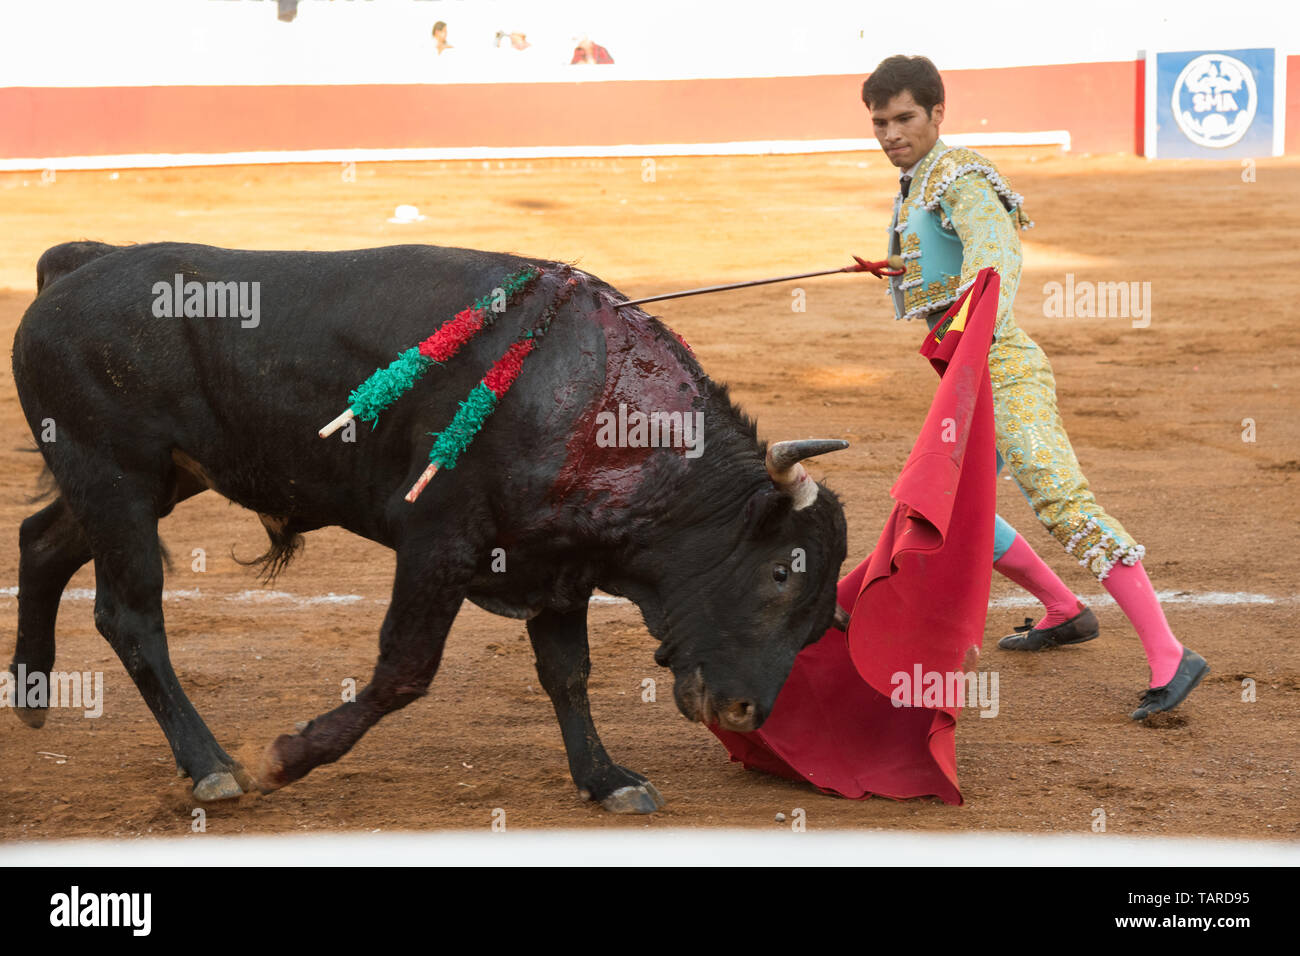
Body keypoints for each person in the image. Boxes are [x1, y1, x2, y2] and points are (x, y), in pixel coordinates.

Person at [861, 54, 1208, 719]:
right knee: (951, 509)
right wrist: (899, 266)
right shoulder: (920, 179)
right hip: (968, 380)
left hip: (1001, 369)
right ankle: (1063, 607)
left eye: (904, 117)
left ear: (938, 112)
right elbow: (948, 253)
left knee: (1061, 501)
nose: (890, 132)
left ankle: (1170, 654)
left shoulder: (958, 175)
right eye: (880, 121)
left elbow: (995, 255)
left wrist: (970, 327)